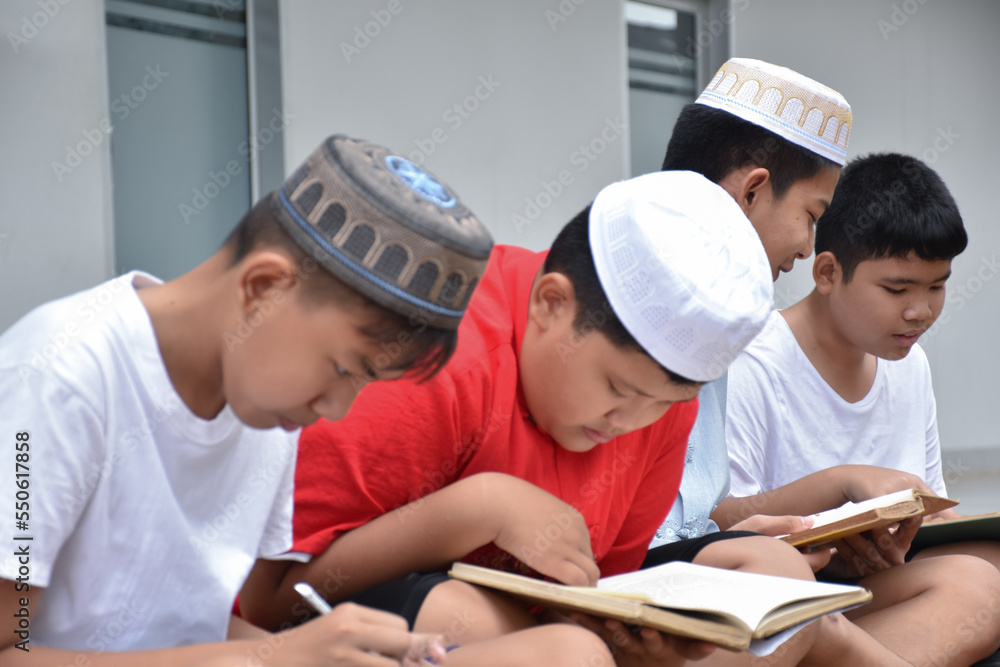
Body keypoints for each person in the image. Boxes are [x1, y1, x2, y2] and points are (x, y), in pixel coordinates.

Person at [240, 169, 806, 665]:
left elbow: (604, 588)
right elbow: (269, 601)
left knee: (780, 578)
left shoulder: (657, 406)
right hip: (361, 620)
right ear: (550, 303)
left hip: (550, 621)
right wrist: (478, 509)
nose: (630, 422)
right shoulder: (438, 360)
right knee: (517, 635)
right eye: (616, 387)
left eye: (668, 403)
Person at [0, 135, 494, 666]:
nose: (337, 410)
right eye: (344, 369)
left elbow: (189, 627)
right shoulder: (60, 376)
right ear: (262, 288)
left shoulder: (264, 411)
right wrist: (265, 660)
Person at [645, 62, 1000, 666]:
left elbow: (706, 520)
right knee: (781, 583)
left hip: (745, 575)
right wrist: (822, 500)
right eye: (811, 216)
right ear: (752, 191)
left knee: (981, 569)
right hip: (709, 589)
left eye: (935, 287)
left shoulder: (716, 326)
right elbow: (686, 531)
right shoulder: (719, 335)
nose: (808, 247)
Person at [717, 152, 1000, 666]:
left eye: (937, 286)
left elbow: (922, 501)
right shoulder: (753, 362)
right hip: (783, 595)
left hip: (867, 589)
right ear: (827, 272)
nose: (921, 311)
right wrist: (843, 481)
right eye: (897, 289)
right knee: (979, 588)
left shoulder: (909, 365)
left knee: (988, 562)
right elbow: (723, 521)